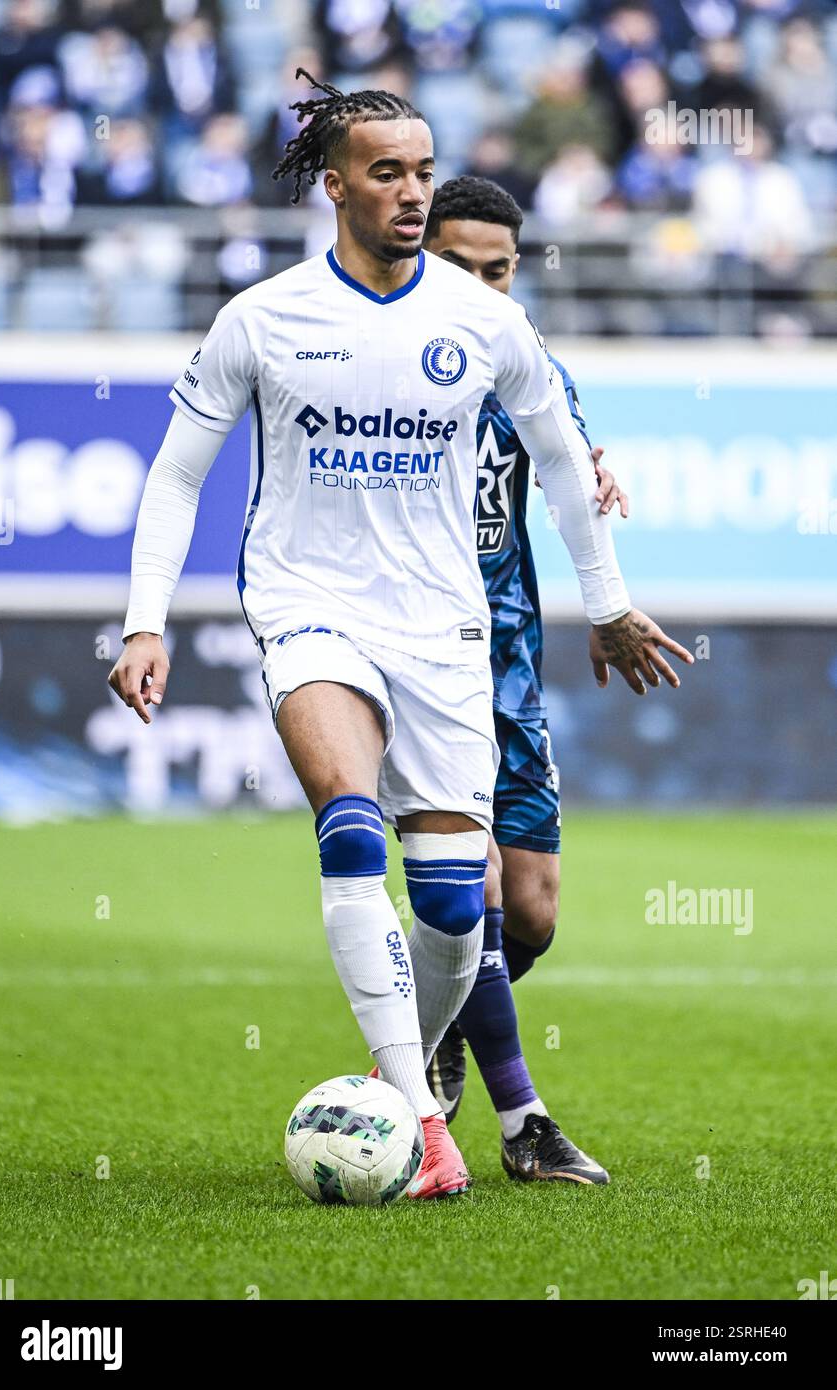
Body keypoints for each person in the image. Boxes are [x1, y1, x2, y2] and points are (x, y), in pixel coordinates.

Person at [108, 70, 692, 1199]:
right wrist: (144, 623)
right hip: (310, 605)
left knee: (455, 907)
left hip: (442, 628)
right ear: (335, 187)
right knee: (347, 824)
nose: (413, 191)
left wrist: (608, 601)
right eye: (387, 173)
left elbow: (564, 463)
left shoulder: (486, 323)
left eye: (424, 170)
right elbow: (177, 474)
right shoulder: (263, 318)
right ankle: (425, 1124)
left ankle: (404, 1077)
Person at [423, 175, 629, 1182]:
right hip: (416, 654)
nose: (478, 288)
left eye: (496, 271)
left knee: (534, 911)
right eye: (456, 266)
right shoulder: (383, 364)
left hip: (506, 656)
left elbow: (567, 472)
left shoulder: (529, 363)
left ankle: (441, 1020)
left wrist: (592, 487)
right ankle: (524, 1125)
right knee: (480, 888)